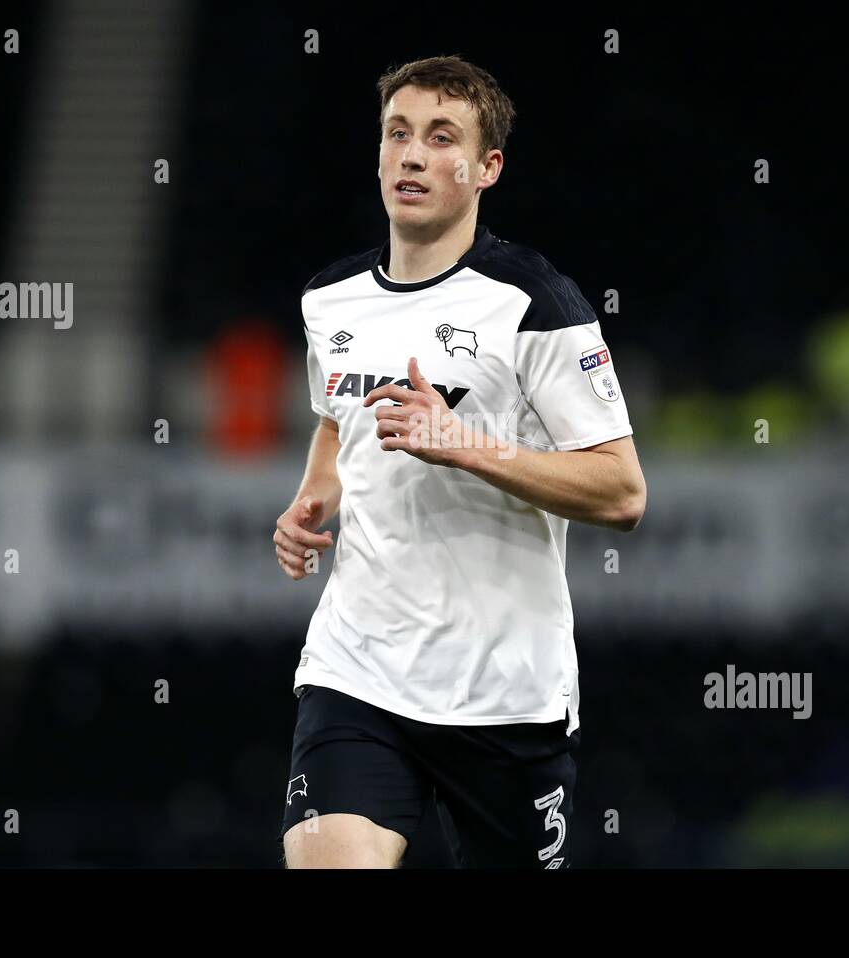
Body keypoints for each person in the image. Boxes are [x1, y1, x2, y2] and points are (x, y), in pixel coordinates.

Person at [274, 55, 646, 868]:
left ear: (487, 168)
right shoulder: (327, 301)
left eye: (441, 138)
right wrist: (313, 497)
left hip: (504, 693)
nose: (412, 155)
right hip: (358, 671)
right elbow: (339, 420)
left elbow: (622, 490)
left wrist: (468, 446)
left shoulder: (535, 303)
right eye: (398, 134)